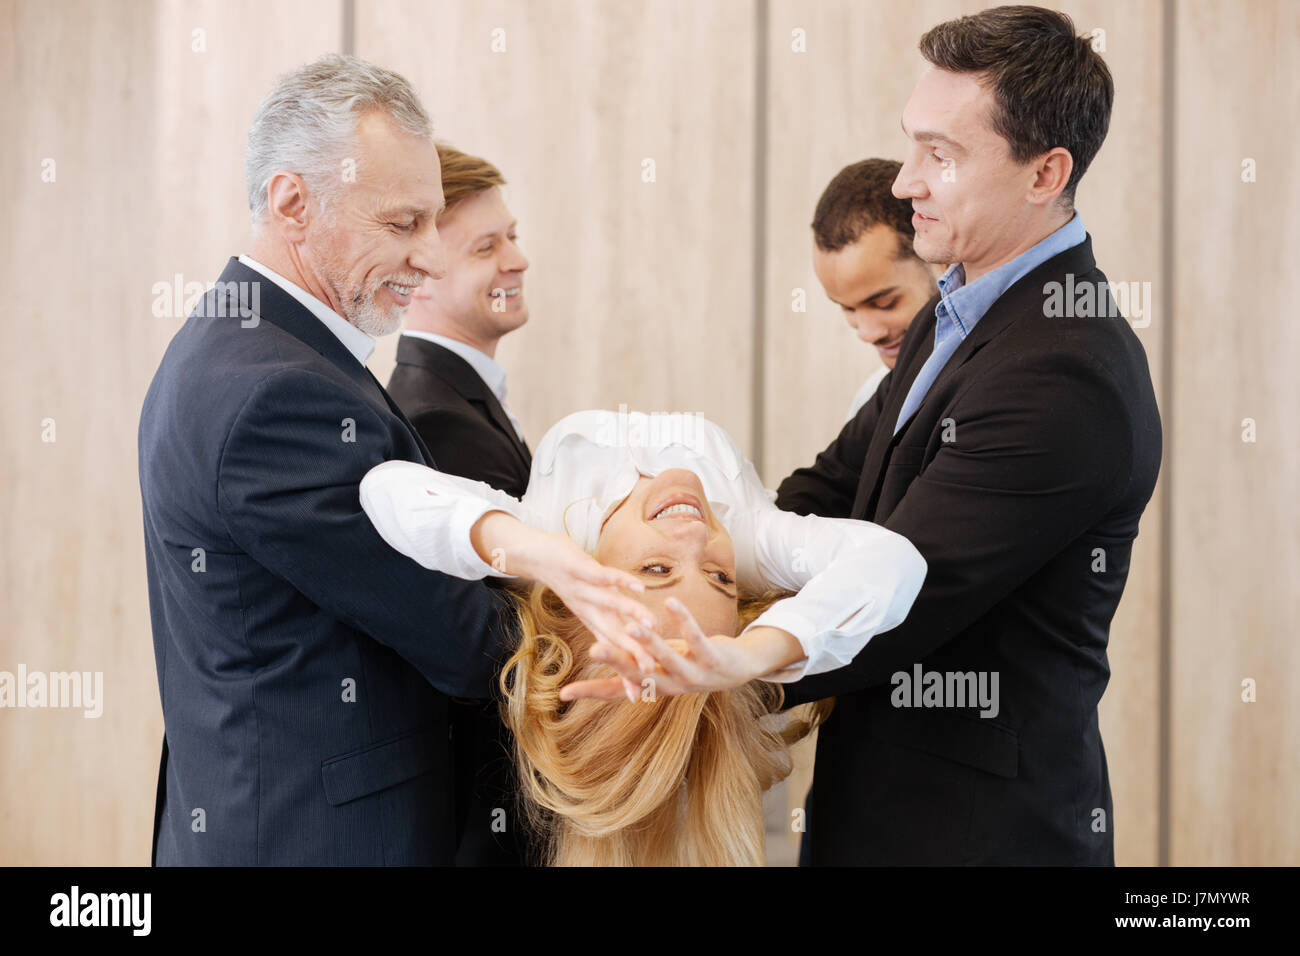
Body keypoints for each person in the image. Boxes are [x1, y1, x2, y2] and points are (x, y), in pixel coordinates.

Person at [595, 5, 1162, 866]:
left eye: (943, 155)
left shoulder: (1064, 373)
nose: (905, 182)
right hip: (882, 806)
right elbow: (831, 487)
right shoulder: (960, 304)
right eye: (911, 144)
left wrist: (717, 646)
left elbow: (902, 593)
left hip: (974, 835)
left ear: (1046, 172)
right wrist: (692, 547)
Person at [137, 55, 642, 865]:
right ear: (293, 202)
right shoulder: (277, 394)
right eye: (403, 226)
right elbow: (455, 631)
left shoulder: (240, 349)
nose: (432, 258)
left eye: (435, 223)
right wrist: (628, 629)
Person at [359, 409, 927, 865]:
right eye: (720, 580)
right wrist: (754, 655)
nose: (695, 539)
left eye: (656, 571)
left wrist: (531, 549)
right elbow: (895, 561)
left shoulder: (556, 539)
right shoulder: (749, 540)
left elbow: (384, 488)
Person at [386, 143, 534, 865]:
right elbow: (491, 650)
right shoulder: (438, 419)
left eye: (512, 237)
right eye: (487, 247)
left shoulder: (459, 402)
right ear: (417, 278)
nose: (517, 260)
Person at [810, 158, 940, 420]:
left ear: (940, 263)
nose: (868, 333)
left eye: (884, 303)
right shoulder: (868, 401)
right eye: (847, 308)